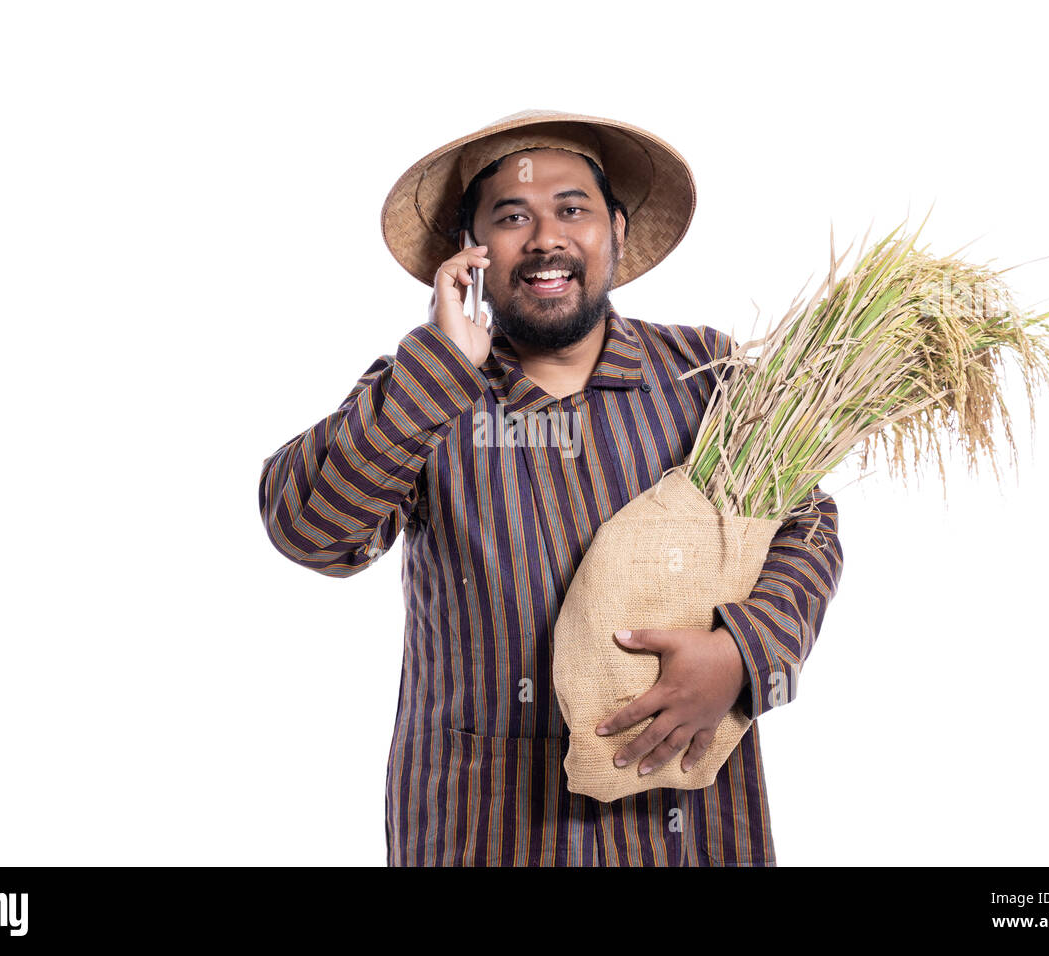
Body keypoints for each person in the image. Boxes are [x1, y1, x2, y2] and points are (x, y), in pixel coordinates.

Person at [258, 110, 843, 866]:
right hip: (489, 828)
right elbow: (309, 530)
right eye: (511, 217)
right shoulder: (423, 390)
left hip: (686, 826)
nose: (545, 238)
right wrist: (441, 364)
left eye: (573, 209)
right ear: (468, 254)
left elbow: (807, 523)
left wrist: (742, 652)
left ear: (617, 231)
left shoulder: (707, 375)